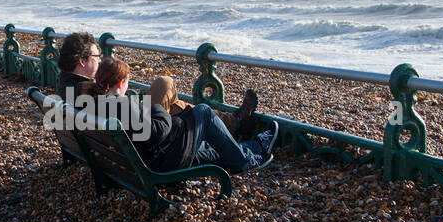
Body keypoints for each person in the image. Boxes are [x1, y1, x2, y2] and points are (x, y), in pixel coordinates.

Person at [84, 58, 278, 174]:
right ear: (120, 83)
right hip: (160, 164)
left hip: (141, 161)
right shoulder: (120, 104)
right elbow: (159, 132)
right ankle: (244, 162)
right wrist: (154, 109)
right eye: (127, 81)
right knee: (203, 112)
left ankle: (255, 147)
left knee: (207, 149)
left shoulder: (95, 105)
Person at [149, 75, 259, 139]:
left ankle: (232, 121)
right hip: (151, 139)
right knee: (164, 82)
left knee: (172, 102)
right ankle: (235, 123)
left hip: (143, 130)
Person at [55, 31, 101, 104]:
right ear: (82, 61)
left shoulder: (63, 85)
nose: (99, 60)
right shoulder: (88, 95)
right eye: (97, 56)